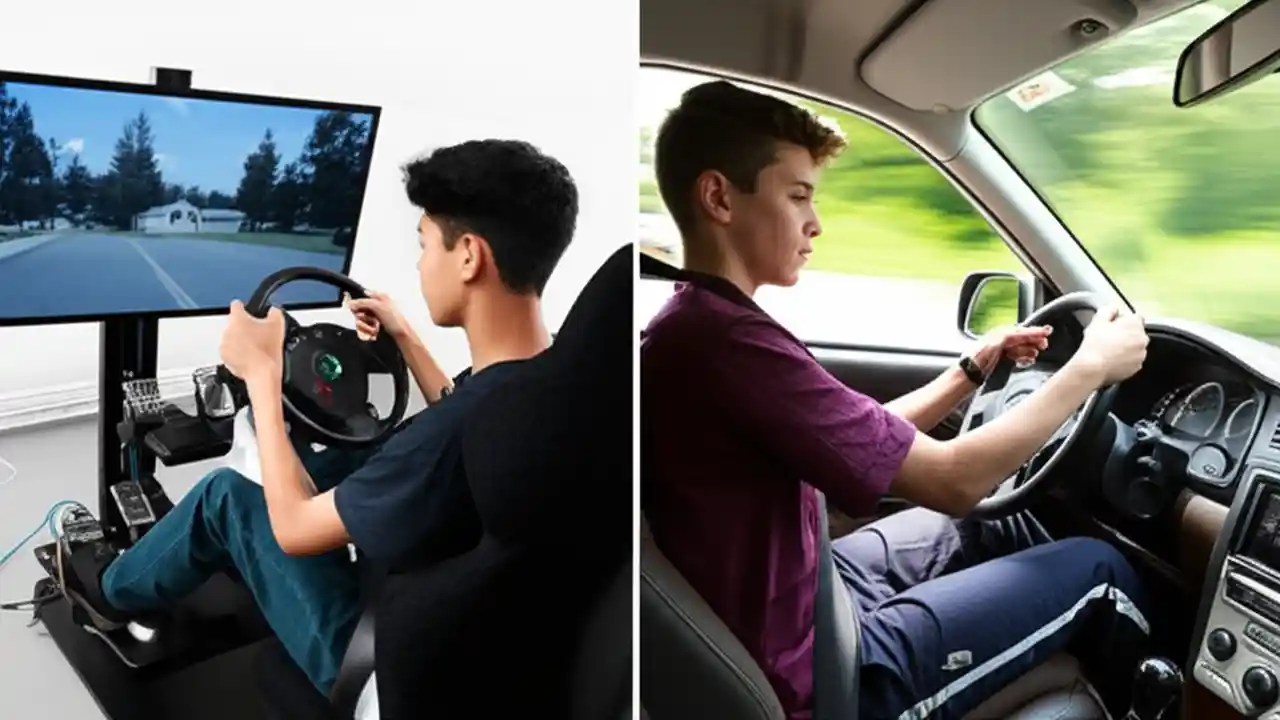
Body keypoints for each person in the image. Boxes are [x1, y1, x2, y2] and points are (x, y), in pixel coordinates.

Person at [640, 80, 1153, 720]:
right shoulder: (726, 345)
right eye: (797, 195)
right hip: (817, 678)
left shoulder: (700, 326)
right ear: (719, 197)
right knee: (1100, 569)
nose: (816, 223)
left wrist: (971, 369)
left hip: (807, 598)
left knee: (1001, 523)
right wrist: (1089, 368)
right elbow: (955, 479)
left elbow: (869, 438)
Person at [53, 138, 579, 695]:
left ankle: (106, 595)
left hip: (383, 669)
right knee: (361, 447)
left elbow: (297, 530)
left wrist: (260, 374)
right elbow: (462, 412)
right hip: (482, 642)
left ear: (469, 256)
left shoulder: (450, 436)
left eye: (425, 246)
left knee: (227, 497)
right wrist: (404, 336)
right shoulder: (554, 376)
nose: (421, 264)